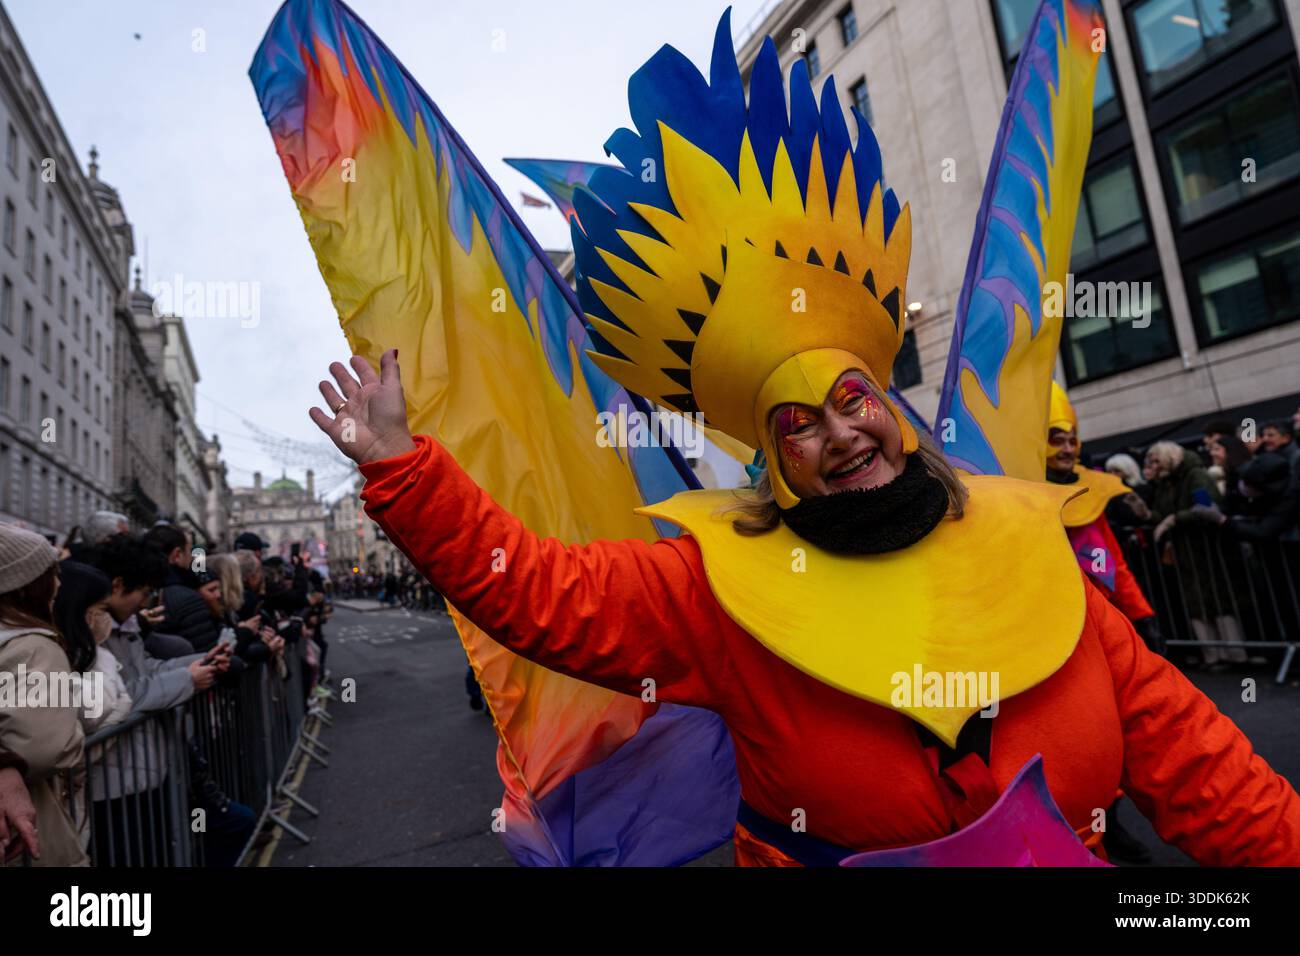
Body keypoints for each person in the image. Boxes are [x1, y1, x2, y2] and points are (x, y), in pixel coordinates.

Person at [0, 523, 87, 866]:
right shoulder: (34, 647)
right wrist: (76, 726)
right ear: (26, 586)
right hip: (29, 822)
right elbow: (48, 748)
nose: (59, 584)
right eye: (51, 573)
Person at [1145, 441, 1248, 668]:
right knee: (1195, 603)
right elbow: (1162, 515)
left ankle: (1235, 654)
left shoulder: (1196, 475)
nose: (1153, 465)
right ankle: (1212, 655)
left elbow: (1206, 506)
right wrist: (1144, 513)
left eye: (1156, 460)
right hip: (1185, 552)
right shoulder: (1165, 483)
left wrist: (1175, 519)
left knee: (1218, 600)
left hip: (1206, 549)